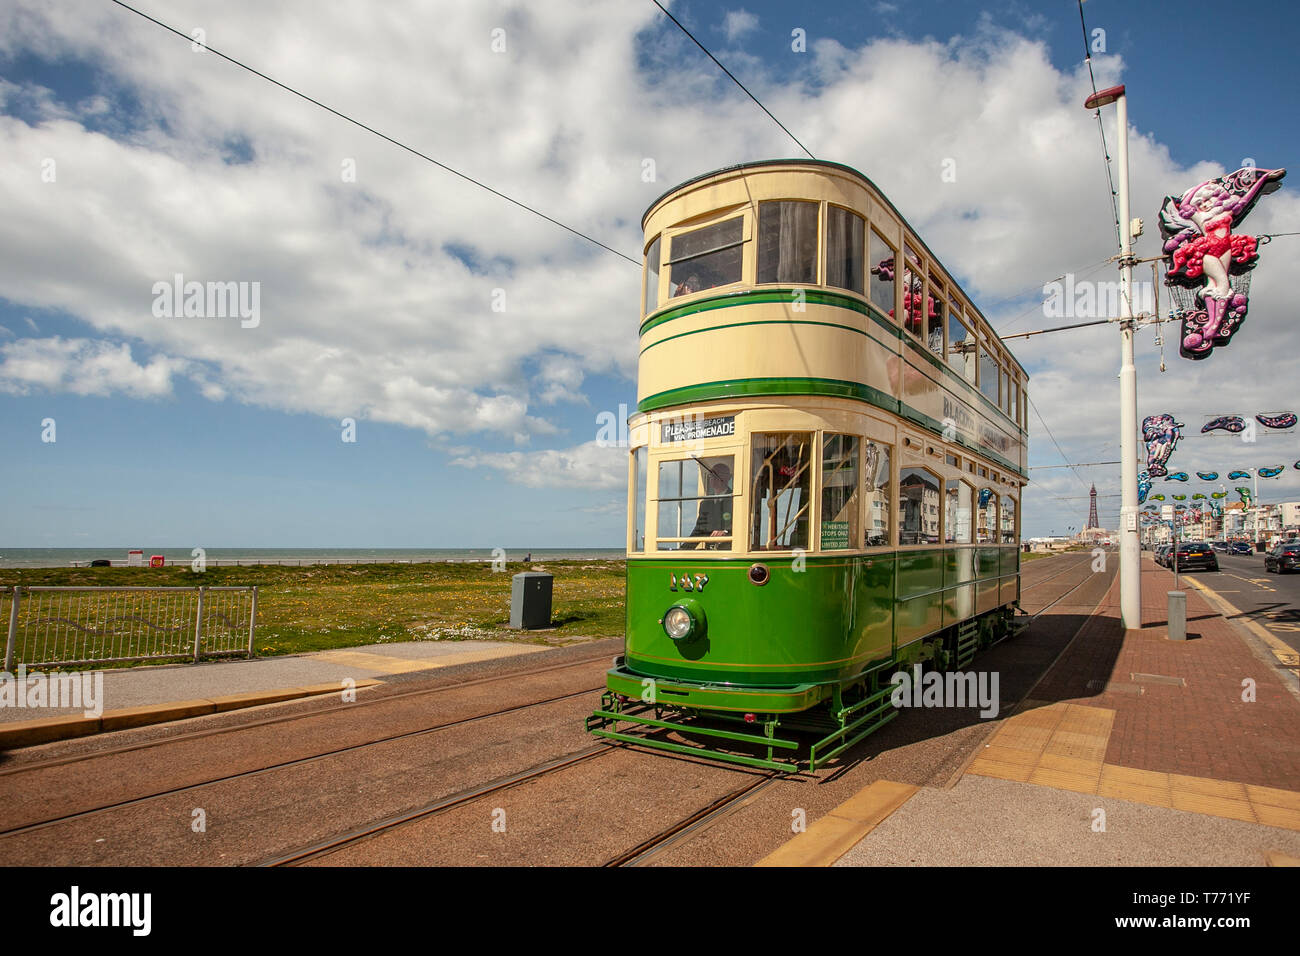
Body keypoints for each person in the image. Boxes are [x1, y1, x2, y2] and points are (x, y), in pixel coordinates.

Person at [688, 461, 732, 548]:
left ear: (728, 477)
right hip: (711, 553)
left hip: (730, 553)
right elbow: (699, 530)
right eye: (711, 474)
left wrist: (725, 532)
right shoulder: (705, 504)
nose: (714, 477)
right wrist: (682, 552)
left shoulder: (736, 500)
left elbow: (742, 527)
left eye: (718, 474)